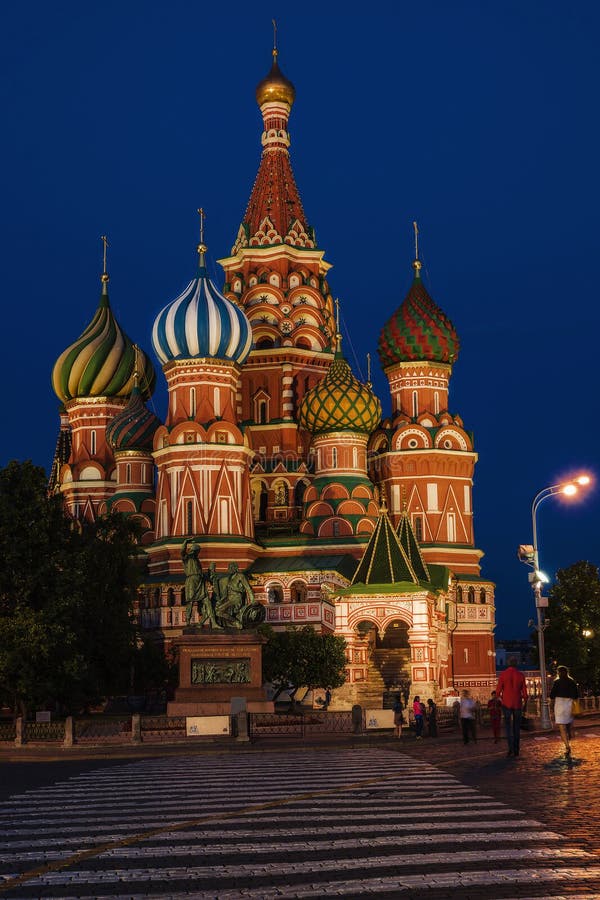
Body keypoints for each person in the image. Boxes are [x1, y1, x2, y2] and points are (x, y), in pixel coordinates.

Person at [182, 541, 220, 628]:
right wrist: (185, 542)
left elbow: (200, 573)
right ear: (194, 550)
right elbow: (182, 552)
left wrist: (208, 578)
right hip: (191, 582)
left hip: (200, 581)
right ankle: (188, 622)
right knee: (190, 602)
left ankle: (213, 623)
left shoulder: (196, 559)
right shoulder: (187, 558)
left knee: (207, 601)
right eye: (198, 551)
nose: (198, 553)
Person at [496, 656, 528, 757]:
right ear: (516, 663)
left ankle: (510, 748)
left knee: (508, 727)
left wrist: (501, 698)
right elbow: (525, 693)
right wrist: (525, 701)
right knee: (516, 728)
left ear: (508, 663)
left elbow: (497, 692)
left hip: (506, 704)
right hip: (517, 703)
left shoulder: (503, 674)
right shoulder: (520, 675)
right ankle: (516, 749)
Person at [550, 665, 579, 757]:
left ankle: (567, 746)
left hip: (559, 704)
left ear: (558, 673)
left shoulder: (557, 682)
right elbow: (576, 695)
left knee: (561, 727)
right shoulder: (572, 682)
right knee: (569, 722)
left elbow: (552, 695)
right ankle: (569, 732)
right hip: (568, 703)